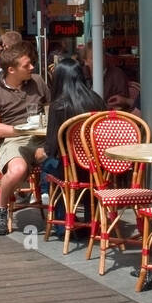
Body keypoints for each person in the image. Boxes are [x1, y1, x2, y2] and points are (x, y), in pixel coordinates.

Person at [32, 56, 105, 237]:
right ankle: (92, 223)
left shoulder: (58, 106)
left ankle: (62, 224)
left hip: (70, 170)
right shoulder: (96, 100)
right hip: (95, 168)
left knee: (48, 165)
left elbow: (50, 148)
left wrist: (36, 155)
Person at [0, 41, 49, 236]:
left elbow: (50, 108)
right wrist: (21, 130)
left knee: (61, 161)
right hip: (13, 139)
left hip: (41, 138)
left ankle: (62, 212)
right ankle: (1, 208)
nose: (32, 68)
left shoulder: (37, 82)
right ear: (11, 70)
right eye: (26, 65)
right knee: (18, 170)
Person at [80, 42, 133, 111]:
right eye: (93, 58)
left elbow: (123, 105)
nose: (98, 60)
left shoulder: (117, 74)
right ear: (85, 61)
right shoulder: (80, 74)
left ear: (105, 56)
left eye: (101, 56)